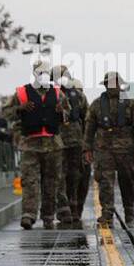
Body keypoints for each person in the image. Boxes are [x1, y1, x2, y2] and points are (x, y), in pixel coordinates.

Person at [9, 63, 71, 230]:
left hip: (52, 145)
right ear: (34, 75)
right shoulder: (22, 93)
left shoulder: (57, 93)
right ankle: (28, 215)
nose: (43, 75)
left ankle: (48, 216)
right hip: (30, 144)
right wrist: (20, 108)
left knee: (51, 182)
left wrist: (61, 111)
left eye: (45, 72)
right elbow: (7, 111)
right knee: (30, 181)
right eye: (40, 73)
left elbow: (69, 114)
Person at [85, 71, 134, 226]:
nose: (112, 86)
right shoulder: (97, 105)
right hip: (103, 149)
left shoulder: (131, 104)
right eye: (109, 83)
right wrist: (87, 149)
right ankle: (107, 214)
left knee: (128, 181)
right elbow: (89, 128)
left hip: (126, 150)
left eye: (115, 83)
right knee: (105, 182)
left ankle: (129, 213)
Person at [54, 65, 90, 226]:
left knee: (72, 176)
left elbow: (88, 120)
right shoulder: (51, 96)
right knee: (64, 176)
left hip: (71, 141)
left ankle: (71, 208)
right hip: (61, 142)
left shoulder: (77, 97)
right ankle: (66, 208)